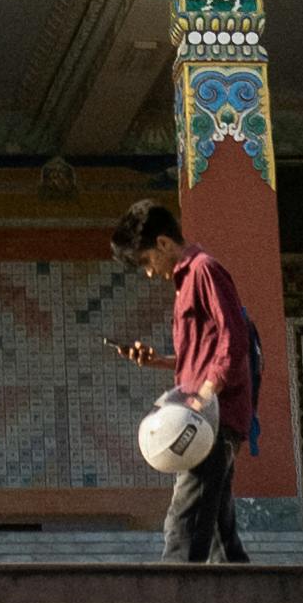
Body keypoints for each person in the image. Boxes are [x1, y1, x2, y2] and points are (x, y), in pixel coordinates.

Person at [106, 200, 259, 565]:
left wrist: (204, 397)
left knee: (184, 522)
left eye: (145, 262)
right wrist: (161, 360)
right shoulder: (186, 283)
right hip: (208, 415)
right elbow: (206, 354)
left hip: (209, 420)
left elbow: (233, 339)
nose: (148, 273)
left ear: (162, 244)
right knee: (221, 532)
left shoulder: (203, 270)